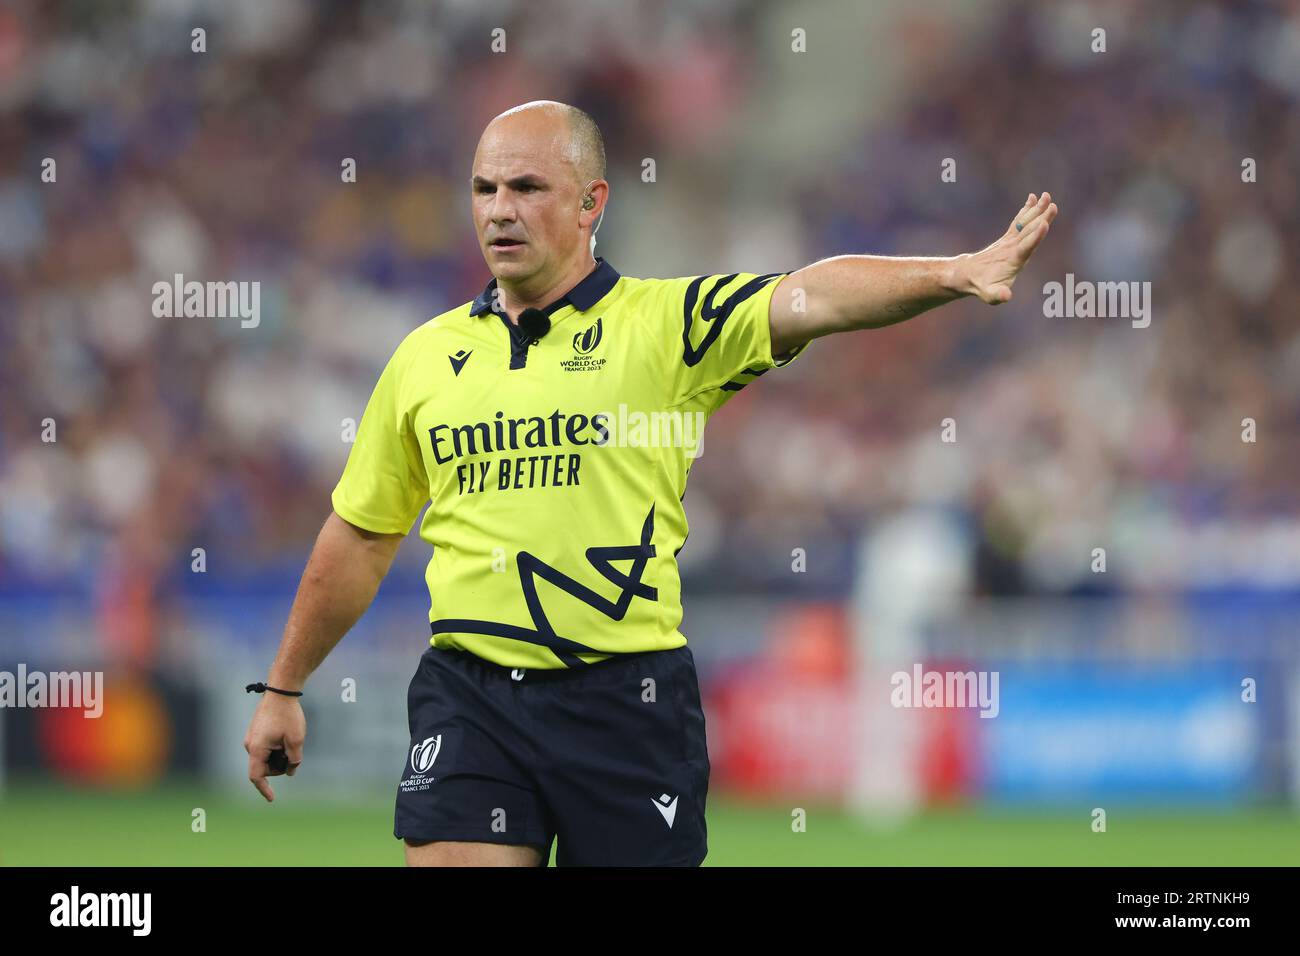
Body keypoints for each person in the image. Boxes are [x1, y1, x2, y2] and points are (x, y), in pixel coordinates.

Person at [243, 99, 1058, 866]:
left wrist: (950, 272)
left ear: (592, 202)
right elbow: (363, 531)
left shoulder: (665, 324)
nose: (499, 209)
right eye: (484, 189)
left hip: (624, 699)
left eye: (527, 188)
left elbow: (811, 296)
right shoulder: (424, 357)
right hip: (471, 694)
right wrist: (284, 683)